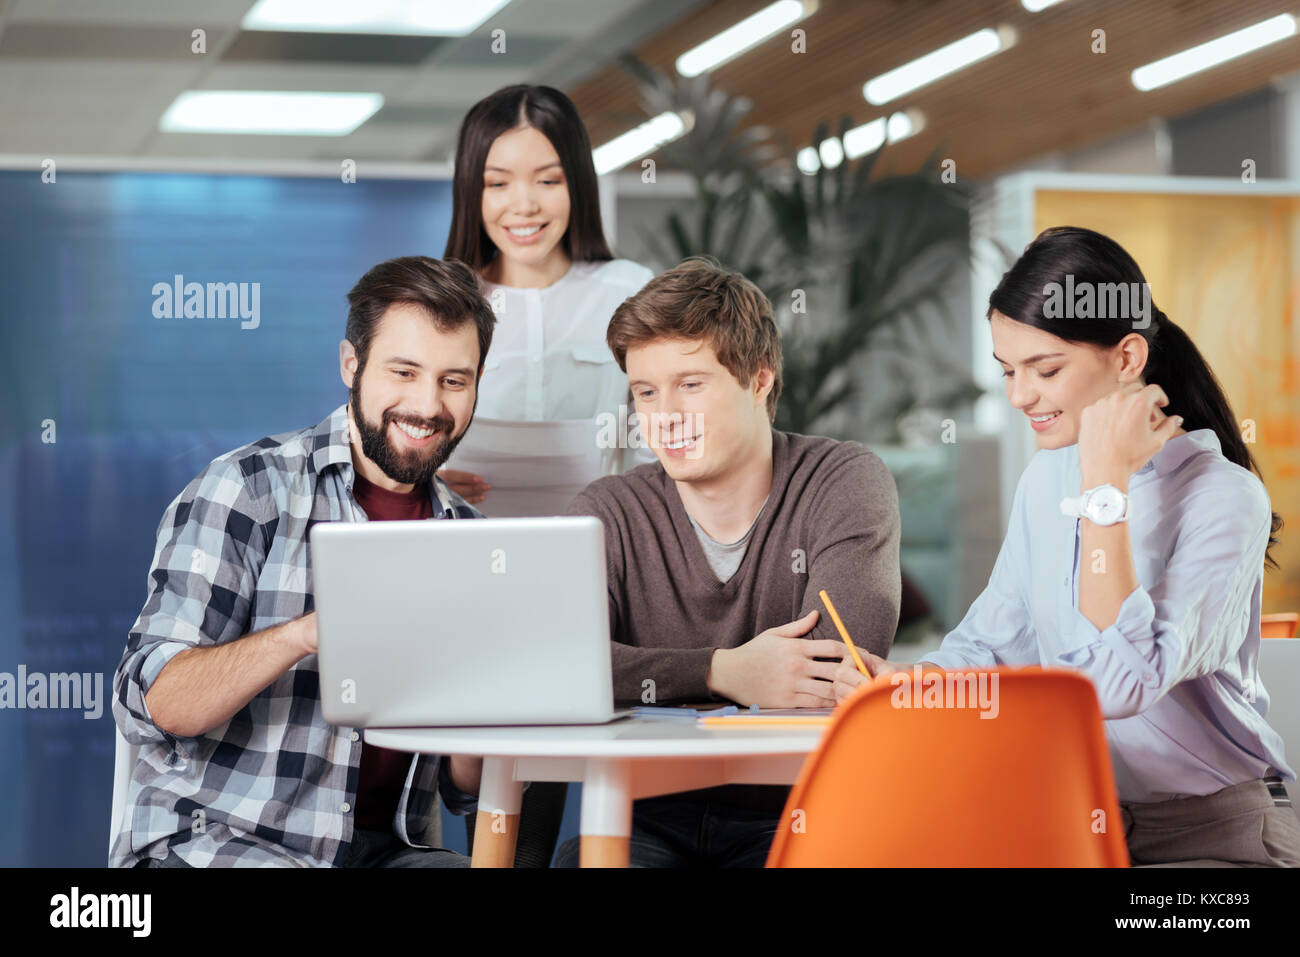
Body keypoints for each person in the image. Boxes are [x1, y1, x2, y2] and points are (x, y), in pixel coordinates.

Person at [833, 225, 1300, 868]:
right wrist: (909, 684)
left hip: (1215, 837)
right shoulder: (1047, 478)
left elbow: (1115, 688)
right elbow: (992, 644)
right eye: (1007, 371)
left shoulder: (1223, 498)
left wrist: (1104, 482)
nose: (1020, 395)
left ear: (1127, 359)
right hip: (1075, 823)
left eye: (1045, 369)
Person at [110, 256, 495, 867]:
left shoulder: (471, 541)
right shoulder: (250, 489)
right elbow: (155, 704)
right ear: (352, 364)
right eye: (404, 371)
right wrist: (304, 634)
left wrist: (494, 706)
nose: (428, 405)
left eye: (455, 380)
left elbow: (462, 789)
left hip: (384, 852)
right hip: (219, 839)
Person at [553, 257, 902, 868]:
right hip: (641, 817)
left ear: (760, 379)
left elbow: (831, 666)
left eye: (691, 384)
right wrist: (723, 671)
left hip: (802, 813)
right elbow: (556, 664)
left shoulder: (843, 479)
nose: (664, 417)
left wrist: (641, 673)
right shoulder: (608, 511)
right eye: (645, 392)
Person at [439, 83, 655, 506]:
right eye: (498, 184)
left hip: (601, 543)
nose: (524, 205)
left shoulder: (630, 290)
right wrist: (424, 481)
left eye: (548, 180)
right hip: (466, 544)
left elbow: (660, 431)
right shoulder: (440, 303)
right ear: (471, 192)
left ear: (577, 183)